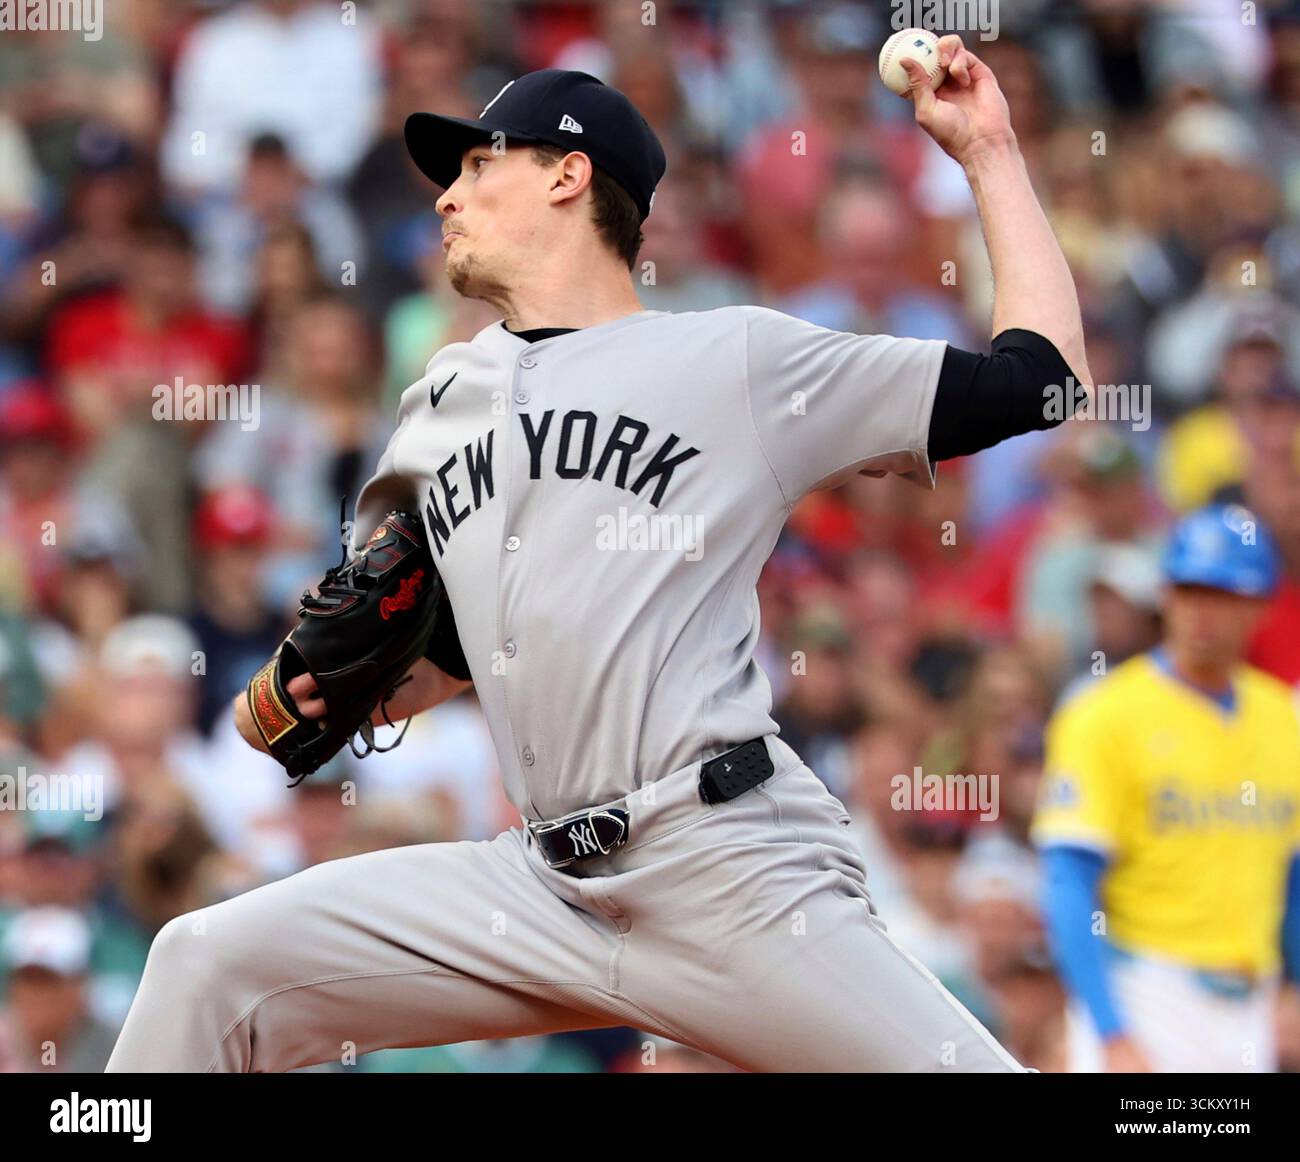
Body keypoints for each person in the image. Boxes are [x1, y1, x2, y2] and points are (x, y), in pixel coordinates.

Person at [111, 44, 1094, 1072]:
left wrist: (986, 150)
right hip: (536, 887)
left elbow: (1042, 380)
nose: (447, 199)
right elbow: (437, 657)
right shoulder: (436, 407)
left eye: (476, 167)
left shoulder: (736, 362)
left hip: (728, 870)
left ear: (565, 174)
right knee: (207, 965)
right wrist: (334, 690)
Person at [1034, 504, 1300, 1072]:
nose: (1201, 612)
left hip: (1252, 999)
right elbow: (1067, 880)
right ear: (1167, 595)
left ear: (1260, 606)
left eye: (1223, 594)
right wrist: (1110, 1030)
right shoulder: (1104, 713)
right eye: (1188, 590)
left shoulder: (1284, 719)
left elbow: (1293, 874)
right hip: (1145, 991)